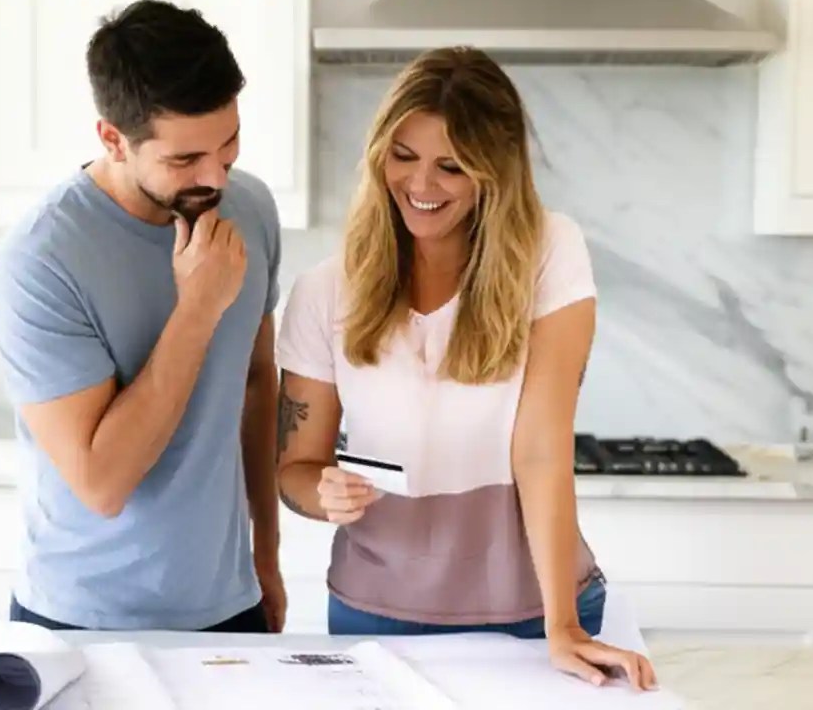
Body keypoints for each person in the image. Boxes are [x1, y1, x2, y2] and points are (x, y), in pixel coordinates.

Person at [275, 47, 658, 690]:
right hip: (375, 616)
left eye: (451, 166)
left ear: (494, 172)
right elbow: (294, 470)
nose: (422, 186)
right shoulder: (324, 290)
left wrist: (562, 626)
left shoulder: (548, 252)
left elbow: (540, 448)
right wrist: (323, 494)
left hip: (533, 614)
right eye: (404, 157)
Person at [0, 0, 285, 633]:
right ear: (113, 139)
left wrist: (267, 554)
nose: (216, 178)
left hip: (230, 608)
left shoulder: (251, 209)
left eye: (227, 145)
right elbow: (102, 483)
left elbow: (258, 385)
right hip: (81, 623)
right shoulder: (41, 261)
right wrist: (198, 309)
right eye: (184, 160)